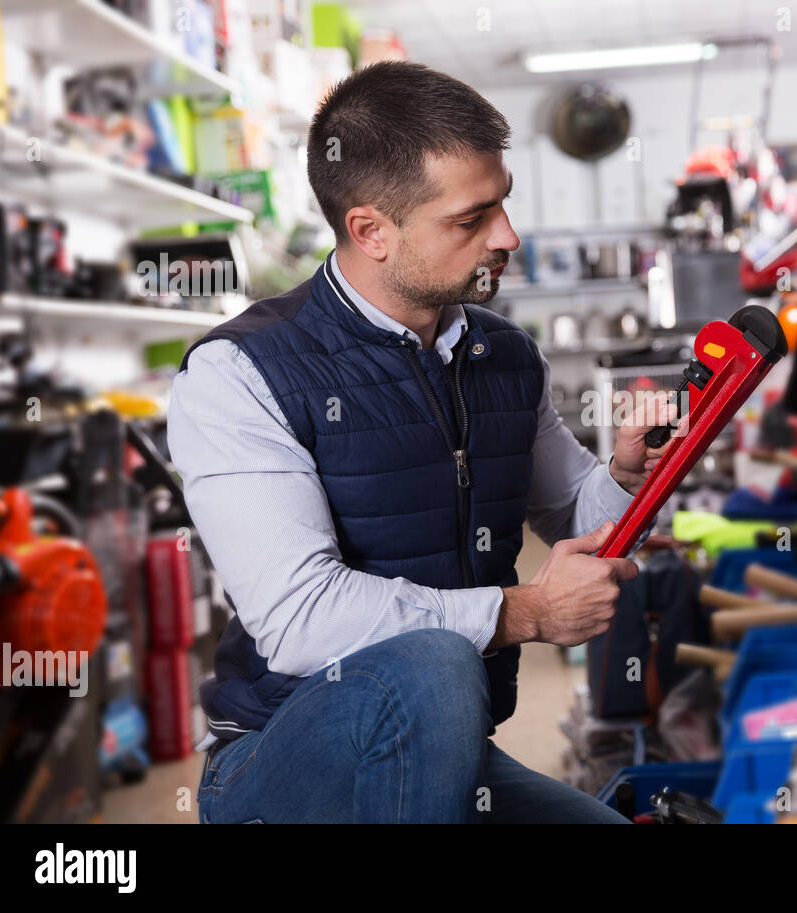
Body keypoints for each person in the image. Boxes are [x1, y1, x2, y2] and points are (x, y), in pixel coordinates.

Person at [168, 61, 675, 823]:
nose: (507, 237)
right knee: (433, 664)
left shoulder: (505, 356)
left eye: (503, 204)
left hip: (454, 746)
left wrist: (629, 476)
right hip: (284, 763)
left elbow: (574, 512)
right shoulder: (239, 373)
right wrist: (526, 611)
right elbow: (303, 615)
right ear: (370, 230)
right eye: (471, 220)